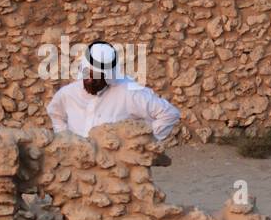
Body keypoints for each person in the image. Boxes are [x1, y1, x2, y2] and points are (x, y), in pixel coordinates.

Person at [46, 40, 181, 148]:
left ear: (108, 77)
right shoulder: (68, 93)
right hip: (79, 167)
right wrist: (64, 139)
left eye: (96, 77)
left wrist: (146, 143)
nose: (91, 81)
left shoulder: (129, 93)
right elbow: (56, 114)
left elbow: (169, 114)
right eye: (88, 76)